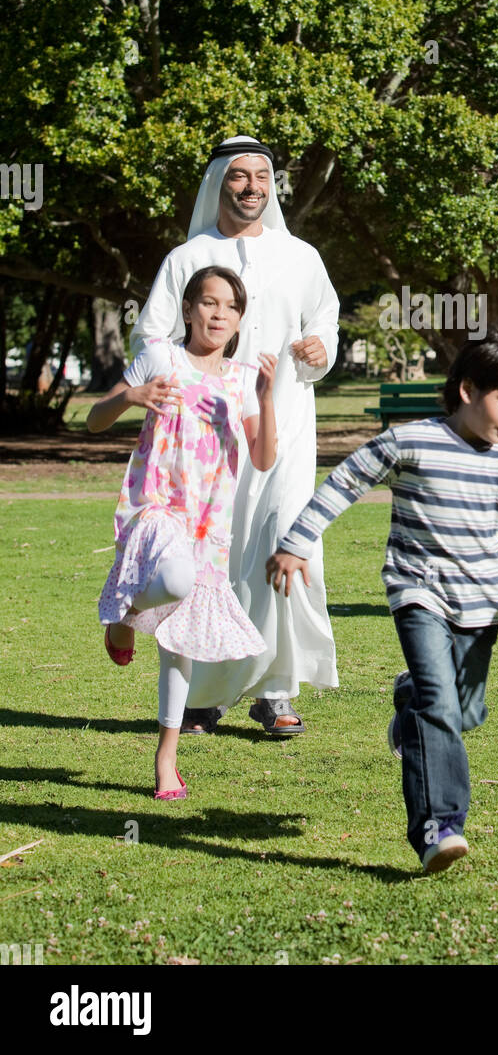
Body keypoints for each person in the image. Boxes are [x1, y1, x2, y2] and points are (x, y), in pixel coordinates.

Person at [266, 330, 498, 875]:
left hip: (480, 605)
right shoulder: (411, 441)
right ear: (467, 390)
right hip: (418, 591)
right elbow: (344, 483)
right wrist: (296, 542)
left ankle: (407, 703)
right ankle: (439, 826)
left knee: (463, 713)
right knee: (441, 704)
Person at [131, 135, 340, 736]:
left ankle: (276, 690)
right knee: (210, 557)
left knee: (282, 545)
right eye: (240, 176)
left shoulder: (301, 255)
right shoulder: (186, 257)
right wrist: (178, 376)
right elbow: (151, 335)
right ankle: (202, 692)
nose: (252, 187)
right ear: (219, 183)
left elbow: (323, 319)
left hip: (285, 426)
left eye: (262, 177)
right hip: (205, 439)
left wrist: (318, 348)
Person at [90, 267, 277, 798]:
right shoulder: (161, 358)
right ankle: (125, 612)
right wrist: (132, 396)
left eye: (230, 307)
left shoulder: (242, 380)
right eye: (209, 303)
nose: (219, 315)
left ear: (240, 318)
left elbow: (263, 459)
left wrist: (266, 397)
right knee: (175, 583)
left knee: (179, 643)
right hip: (155, 507)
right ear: (190, 308)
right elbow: (93, 422)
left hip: (209, 525)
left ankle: (166, 759)